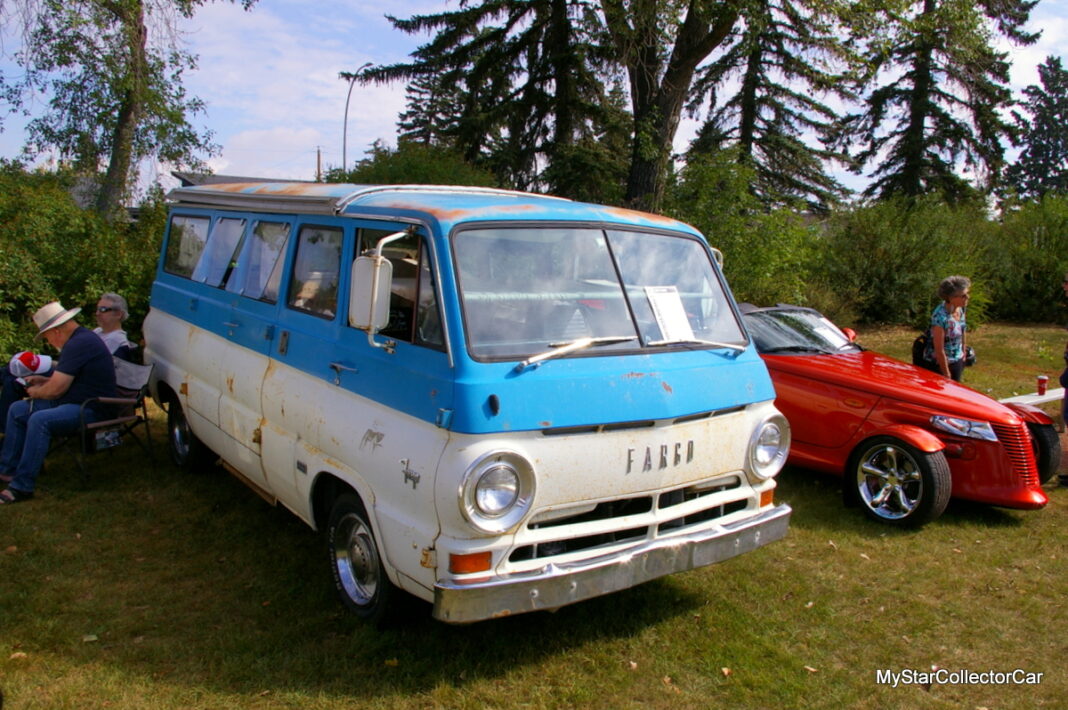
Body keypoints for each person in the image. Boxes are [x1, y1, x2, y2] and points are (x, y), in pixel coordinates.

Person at [0, 301, 116, 504]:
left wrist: (36, 391)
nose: (48, 341)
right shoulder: (79, 340)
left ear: (56, 331)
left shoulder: (79, 343)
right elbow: (67, 380)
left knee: (39, 420)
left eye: (46, 336)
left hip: (92, 407)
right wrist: (43, 380)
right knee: (17, 410)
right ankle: (8, 472)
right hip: (76, 400)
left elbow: (56, 390)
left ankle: (22, 487)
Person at [923, 275, 971, 382]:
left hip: (957, 360)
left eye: (967, 294)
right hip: (939, 365)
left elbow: (962, 330)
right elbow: (939, 349)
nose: (967, 297)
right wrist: (946, 374)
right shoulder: (940, 317)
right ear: (951, 298)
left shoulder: (960, 309)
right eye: (963, 295)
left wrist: (963, 352)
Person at [93, 292, 136, 360]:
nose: (97, 313)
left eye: (103, 309)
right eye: (97, 309)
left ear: (118, 314)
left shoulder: (117, 340)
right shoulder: (98, 331)